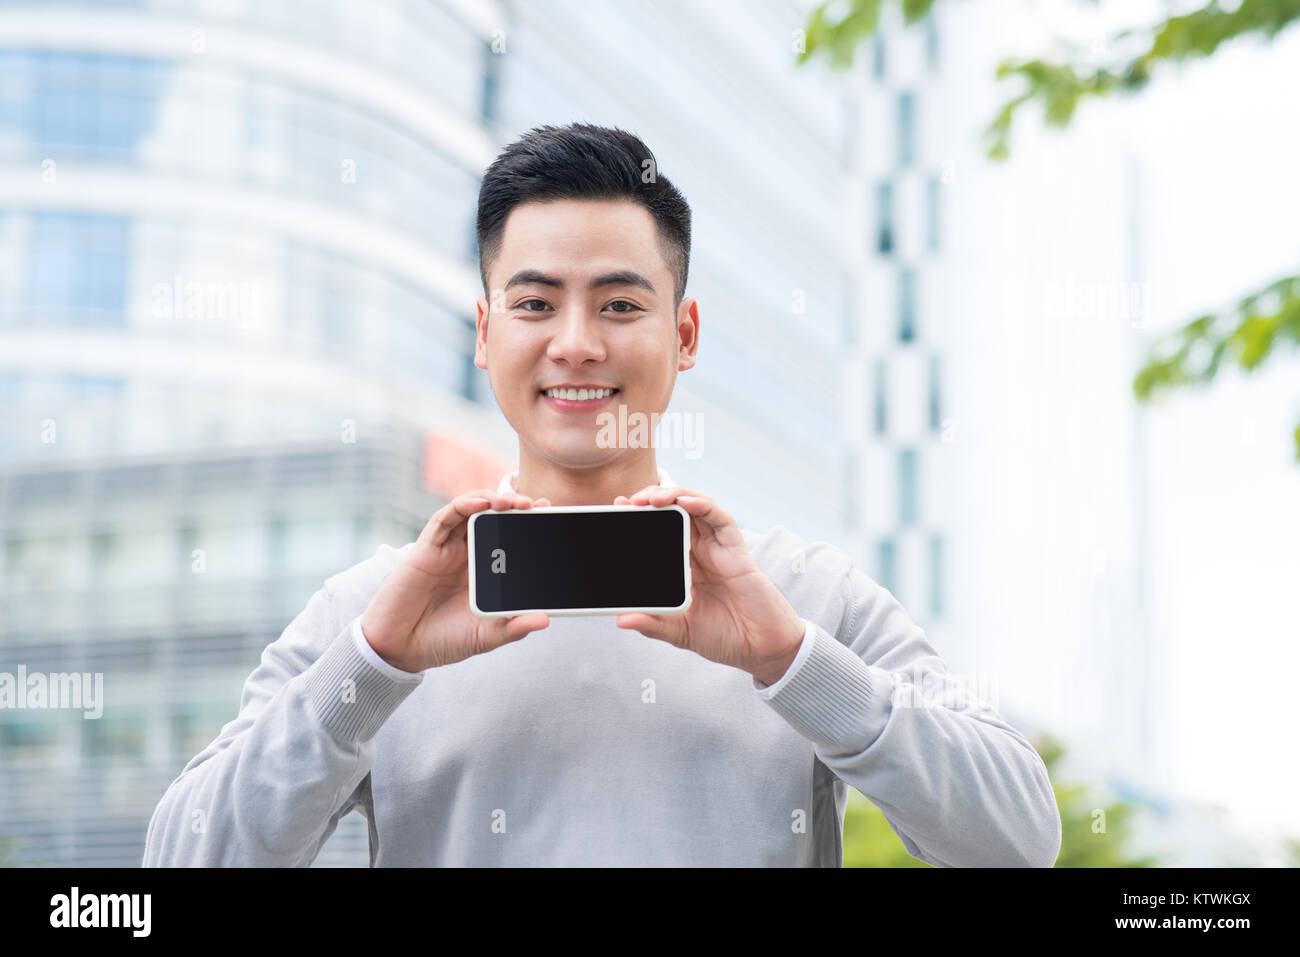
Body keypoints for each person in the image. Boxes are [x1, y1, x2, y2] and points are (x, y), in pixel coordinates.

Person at [142, 122, 1061, 867]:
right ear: (485, 330)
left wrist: (790, 662)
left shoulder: (801, 596)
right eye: (536, 304)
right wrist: (374, 668)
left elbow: (1020, 840)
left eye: (620, 305)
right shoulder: (377, 610)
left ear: (685, 331)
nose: (576, 343)